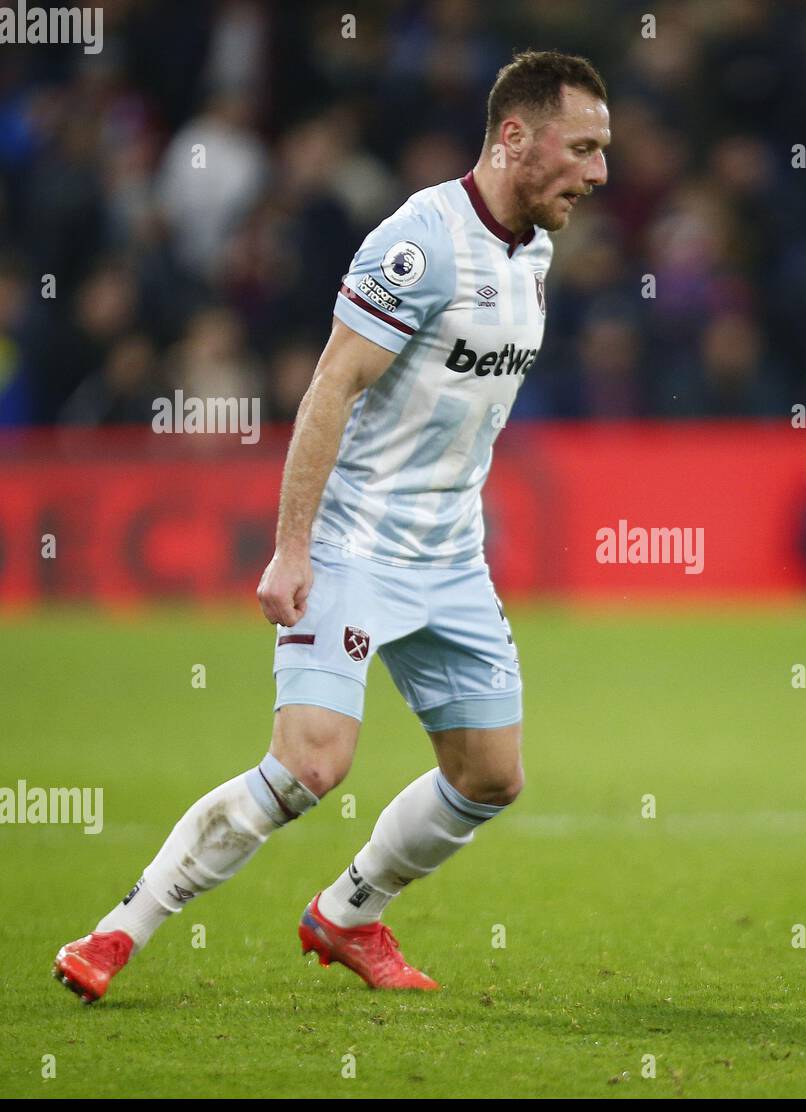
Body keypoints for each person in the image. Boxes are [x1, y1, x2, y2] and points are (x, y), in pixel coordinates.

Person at [52, 50, 611, 1001]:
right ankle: (118, 932)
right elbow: (330, 387)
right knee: (312, 763)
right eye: (585, 148)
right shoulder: (420, 242)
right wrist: (295, 546)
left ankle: (347, 915)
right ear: (515, 137)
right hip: (356, 541)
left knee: (490, 776)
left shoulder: (537, 251)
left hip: (451, 555)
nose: (600, 174)